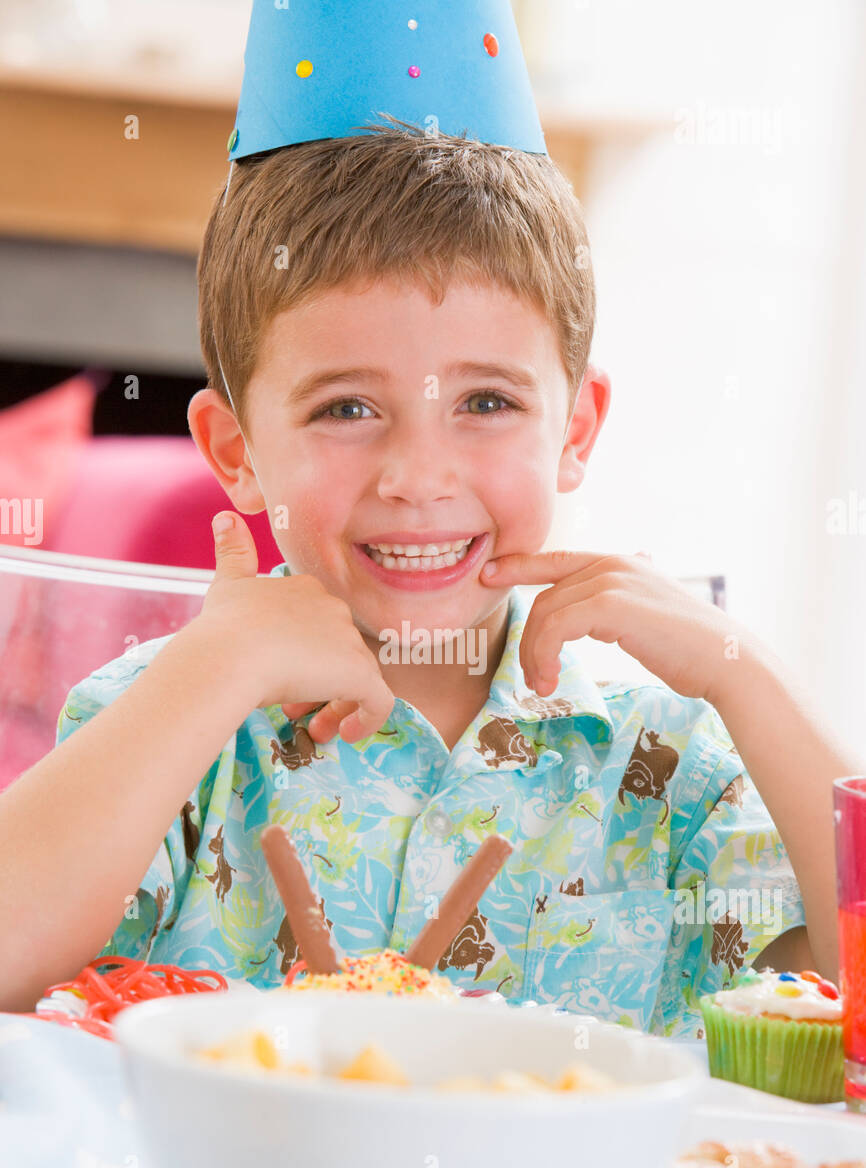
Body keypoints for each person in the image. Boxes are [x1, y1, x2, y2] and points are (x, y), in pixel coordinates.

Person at [0, 2, 856, 1029]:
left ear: (576, 428)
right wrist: (212, 669)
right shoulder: (174, 728)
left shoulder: (667, 766)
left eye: (485, 403)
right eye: (346, 408)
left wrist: (738, 668)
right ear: (235, 449)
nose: (417, 473)